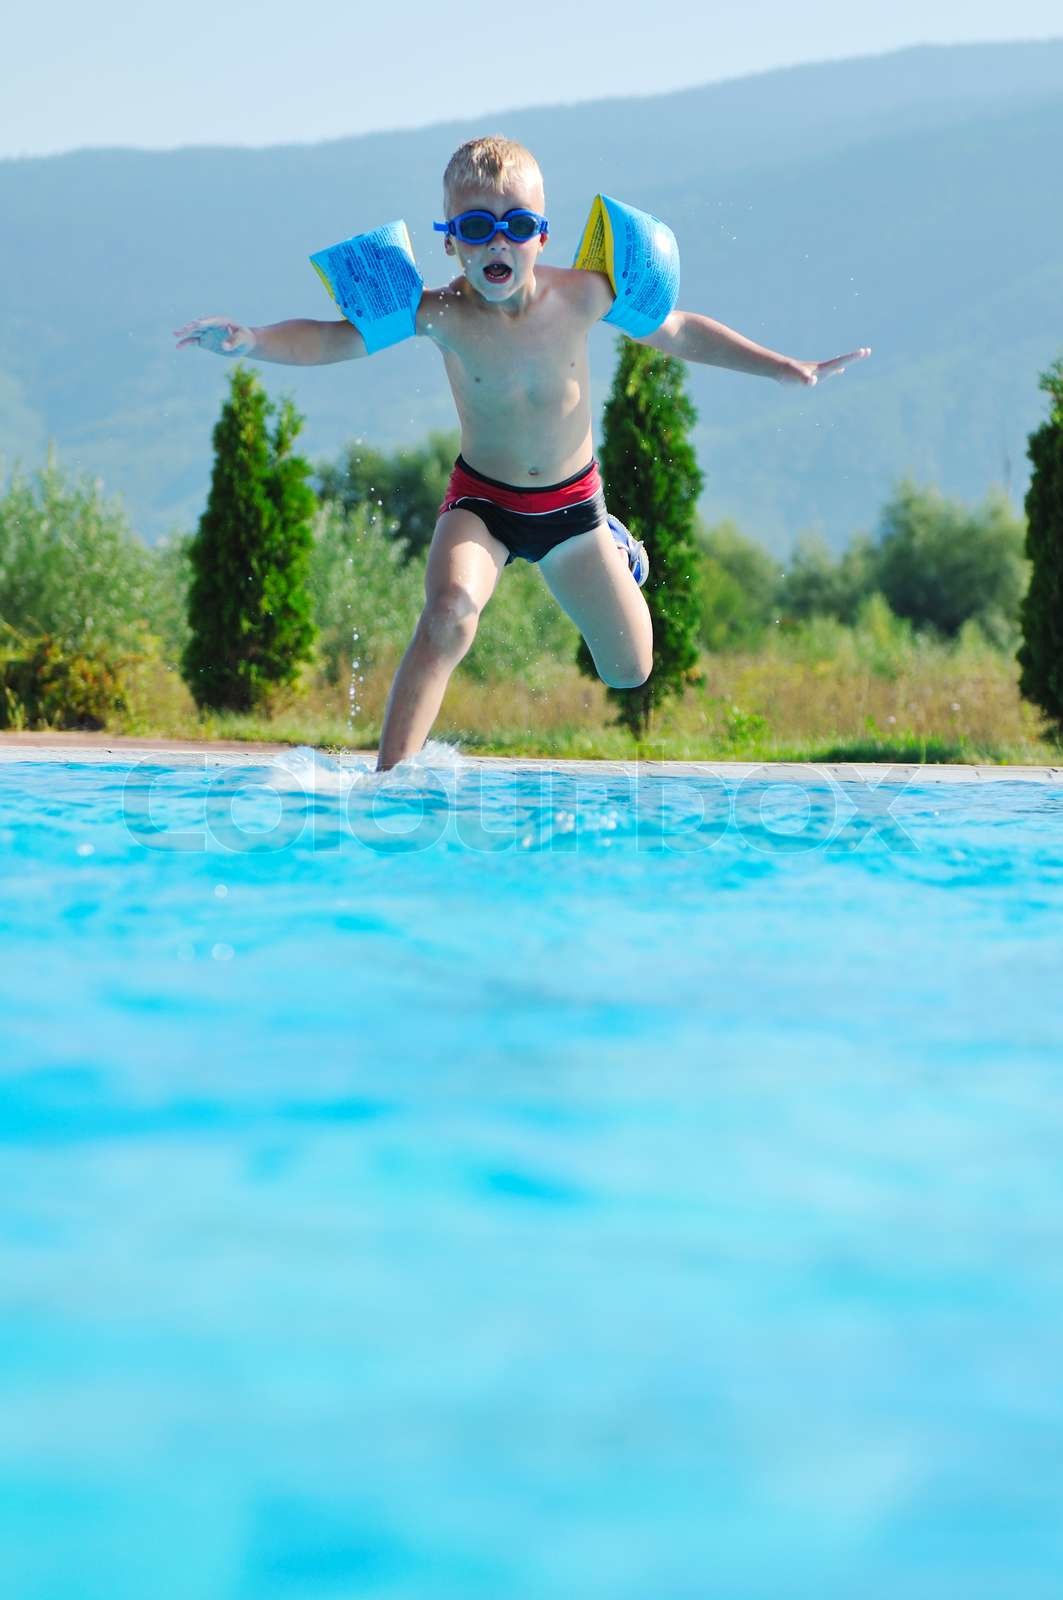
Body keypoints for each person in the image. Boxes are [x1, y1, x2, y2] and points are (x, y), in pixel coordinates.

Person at [175, 135, 869, 770]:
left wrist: (783, 367)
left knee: (629, 671)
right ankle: (388, 783)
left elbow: (679, 330)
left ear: (542, 234)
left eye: (516, 225)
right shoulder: (439, 313)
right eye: (477, 228)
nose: (497, 242)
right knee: (448, 614)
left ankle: (619, 546)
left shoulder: (584, 296)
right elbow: (334, 339)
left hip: (575, 512)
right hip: (483, 504)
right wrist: (252, 340)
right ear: (451, 241)